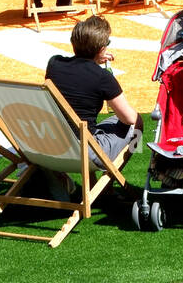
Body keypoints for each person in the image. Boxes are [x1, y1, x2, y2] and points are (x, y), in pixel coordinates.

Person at [45, 15, 142, 176]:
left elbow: (77, 77)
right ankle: (108, 184)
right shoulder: (102, 77)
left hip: (51, 143)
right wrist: (97, 66)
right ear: (101, 49)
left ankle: (94, 185)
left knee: (83, 125)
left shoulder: (54, 64)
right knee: (137, 123)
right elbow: (129, 119)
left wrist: (94, 60)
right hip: (86, 151)